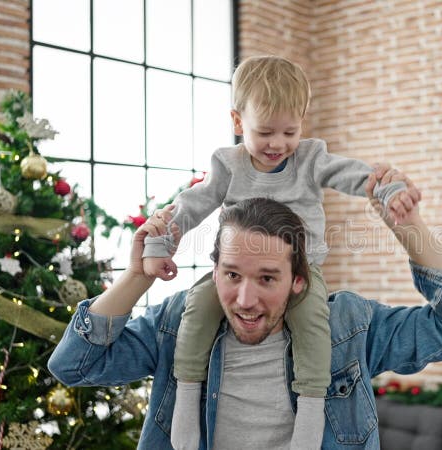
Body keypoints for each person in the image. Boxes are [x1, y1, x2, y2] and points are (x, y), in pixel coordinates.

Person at [48, 171, 442, 450]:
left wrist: (409, 227)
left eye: (266, 278)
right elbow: (73, 365)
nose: (245, 300)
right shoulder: (177, 321)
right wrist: (135, 278)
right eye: (231, 275)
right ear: (214, 271)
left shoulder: (348, 327)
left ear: (298, 280)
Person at [140, 55, 411, 449]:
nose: (279, 144)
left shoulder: (310, 159)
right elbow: (191, 205)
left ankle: (311, 410)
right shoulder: (228, 164)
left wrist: (388, 188)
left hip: (298, 273)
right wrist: (159, 245)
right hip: (238, 270)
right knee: (196, 306)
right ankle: (185, 397)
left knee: (314, 323)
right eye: (265, 132)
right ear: (238, 122)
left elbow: (353, 174)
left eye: (290, 131)